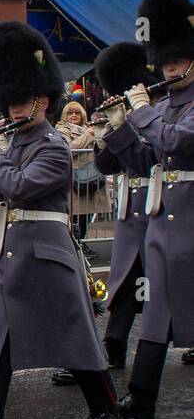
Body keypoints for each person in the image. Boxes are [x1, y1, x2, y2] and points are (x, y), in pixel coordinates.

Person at [0, 21, 118, 419]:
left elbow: (20, 186)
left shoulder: (52, 144)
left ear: (42, 100)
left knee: (73, 338)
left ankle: (104, 410)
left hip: (45, 255)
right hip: (9, 253)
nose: (14, 110)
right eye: (11, 102)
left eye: (23, 102)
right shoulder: (15, 141)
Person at [101, 0, 194, 419]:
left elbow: (177, 141)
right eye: (165, 61)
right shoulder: (163, 104)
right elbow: (143, 162)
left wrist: (139, 112)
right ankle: (141, 399)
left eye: (178, 60)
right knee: (156, 311)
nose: (169, 68)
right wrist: (119, 127)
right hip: (164, 221)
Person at [89, 41, 156, 371]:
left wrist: (124, 126)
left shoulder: (157, 113)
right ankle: (113, 346)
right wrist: (104, 136)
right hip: (132, 212)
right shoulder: (130, 113)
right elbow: (108, 167)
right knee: (125, 282)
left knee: (173, 280)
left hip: (160, 207)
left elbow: (145, 160)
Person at [58, 100, 106, 243]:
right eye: (70, 113)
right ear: (65, 115)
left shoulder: (89, 127)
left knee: (87, 214)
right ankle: (75, 243)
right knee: (75, 215)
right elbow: (68, 148)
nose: (73, 115)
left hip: (92, 175)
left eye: (77, 112)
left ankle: (82, 242)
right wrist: (88, 135)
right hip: (75, 178)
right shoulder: (62, 130)